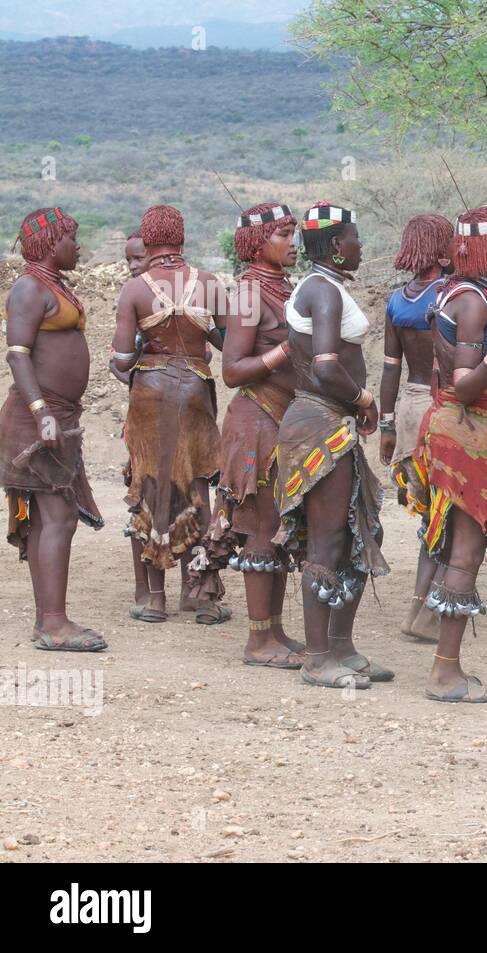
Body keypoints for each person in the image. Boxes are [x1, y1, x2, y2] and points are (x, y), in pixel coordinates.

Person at [274, 201, 391, 689]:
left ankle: (342, 646)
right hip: (322, 422)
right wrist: (365, 398)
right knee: (326, 541)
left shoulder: (322, 288)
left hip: (328, 421)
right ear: (335, 245)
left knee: (359, 532)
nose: (361, 246)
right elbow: (325, 365)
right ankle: (318, 656)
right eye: (355, 238)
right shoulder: (322, 292)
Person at [416, 204, 487, 703]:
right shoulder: (475, 305)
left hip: (454, 427)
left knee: (461, 548)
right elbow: (464, 386)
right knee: (466, 551)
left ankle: (447, 668)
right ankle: (445, 674)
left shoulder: (453, 292)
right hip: (467, 429)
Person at [111, 205, 228, 624]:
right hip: (195, 394)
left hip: (151, 396)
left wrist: (147, 350)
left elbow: (121, 360)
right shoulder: (210, 283)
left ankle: (155, 598)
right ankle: (199, 594)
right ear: (181, 236)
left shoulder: (135, 290)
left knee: (153, 487)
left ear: (148, 238)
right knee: (198, 489)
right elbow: (230, 342)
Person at [205, 202, 307, 667]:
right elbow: (232, 370)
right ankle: (258, 641)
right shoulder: (248, 293)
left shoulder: (283, 288)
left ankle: (277, 631)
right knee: (263, 528)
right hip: (257, 422)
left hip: (284, 420)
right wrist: (288, 349)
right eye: (283, 234)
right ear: (257, 241)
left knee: (280, 527)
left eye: (294, 233)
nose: (293, 242)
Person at [2, 207, 106, 651]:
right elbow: (17, 355)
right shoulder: (28, 288)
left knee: (50, 518)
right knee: (58, 517)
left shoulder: (50, 285)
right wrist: (42, 409)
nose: (78, 246)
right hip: (37, 418)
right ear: (50, 242)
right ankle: (53, 623)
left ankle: (50, 620)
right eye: (72, 237)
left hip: (58, 416)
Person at [378, 213, 453, 640]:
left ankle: (418, 607)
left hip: (408, 404)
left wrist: (387, 425)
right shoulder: (450, 296)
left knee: (430, 513)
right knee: (451, 512)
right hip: (441, 407)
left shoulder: (397, 300)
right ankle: (429, 609)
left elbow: (391, 368)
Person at [115, 231, 150, 616]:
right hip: (144, 415)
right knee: (141, 498)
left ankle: (195, 585)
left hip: (183, 412)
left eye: (138, 257)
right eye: (128, 260)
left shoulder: (183, 291)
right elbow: (118, 359)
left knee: (193, 498)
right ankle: (145, 588)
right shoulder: (133, 295)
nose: (133, 266)